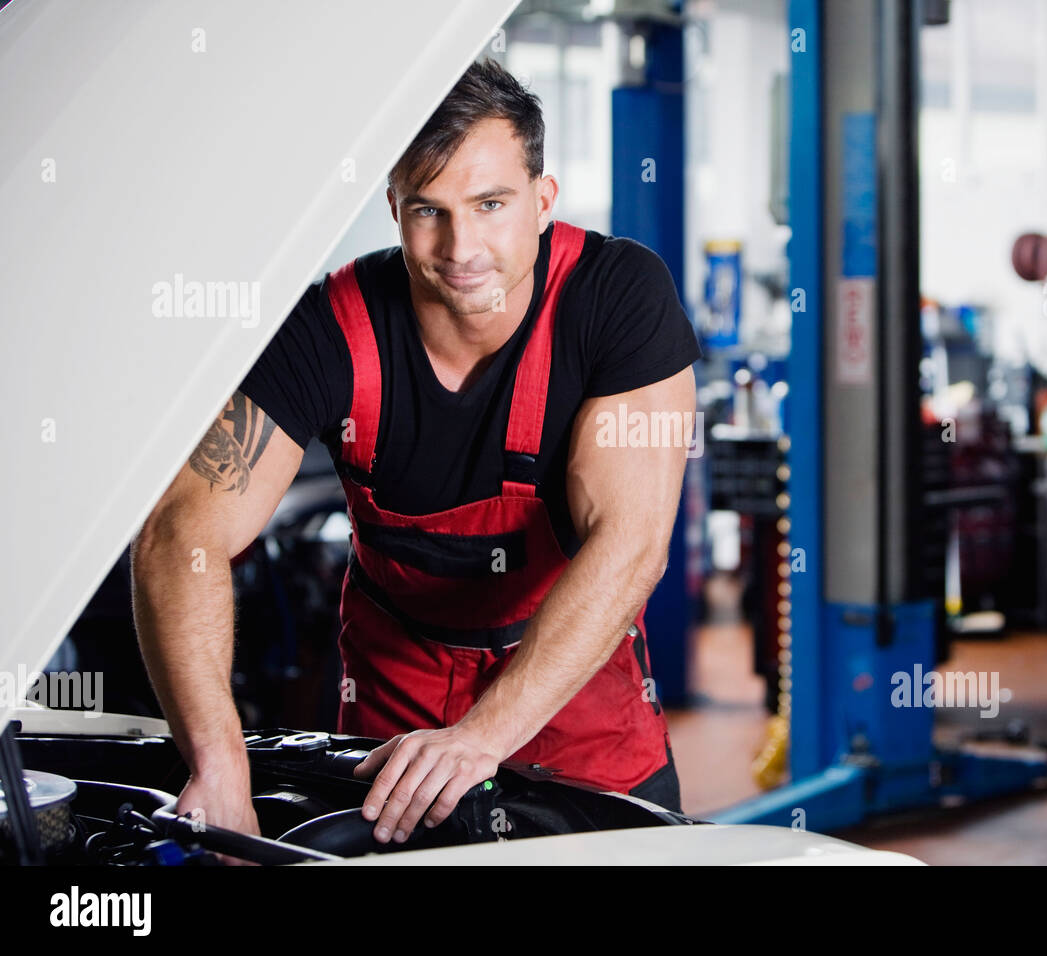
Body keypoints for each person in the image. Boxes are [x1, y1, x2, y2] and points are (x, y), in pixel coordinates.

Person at [130, 57, 700, 859]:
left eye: (491, 204)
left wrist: (482, 737)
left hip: (579, 713)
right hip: (395, 716)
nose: (461, 246)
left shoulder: (614, 296)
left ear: (543, 202)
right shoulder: (327, 327)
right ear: (394, 205)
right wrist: (219, 765)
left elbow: (631, 540)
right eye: (429, 210)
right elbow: (178, 535)